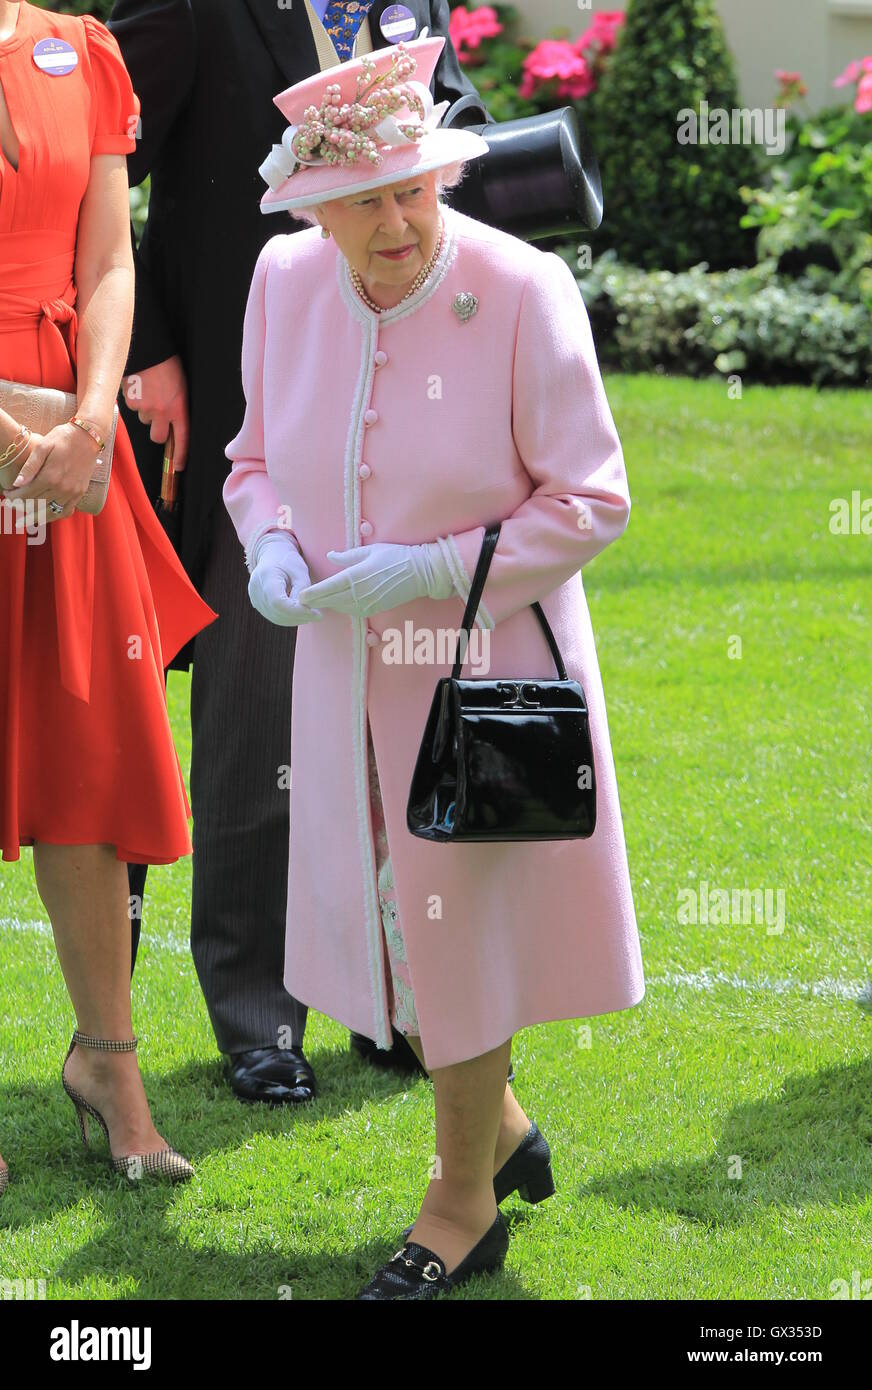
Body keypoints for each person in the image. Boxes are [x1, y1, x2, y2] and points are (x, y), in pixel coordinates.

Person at [223, 34, 645, 1299]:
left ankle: (460, 1201)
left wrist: (423, 568)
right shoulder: (281, 281)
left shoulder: (521, 288)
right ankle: (501, 1129)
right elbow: (250, 463)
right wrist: (269, 549)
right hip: (340, 673)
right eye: (365, 200)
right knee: (390, 941)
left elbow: (590, 503)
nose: (396, 221)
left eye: (414, 188)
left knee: (454, 936)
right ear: (315, 205)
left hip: (482, 673)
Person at [107, 0, 488, 1103]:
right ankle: (258, 1014)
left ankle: (394, 997)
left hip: (413, 395)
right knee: (256, 715)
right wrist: (152, 350)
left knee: (403, 717)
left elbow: (449, 107)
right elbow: (100, 166)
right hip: (247, 407)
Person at [0, 0, 216, 1196]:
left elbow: (109, 259)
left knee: (85, 760)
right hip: (10, 432)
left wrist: (90, 420)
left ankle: (111, 1066)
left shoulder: (82, 50)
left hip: (69, 449)